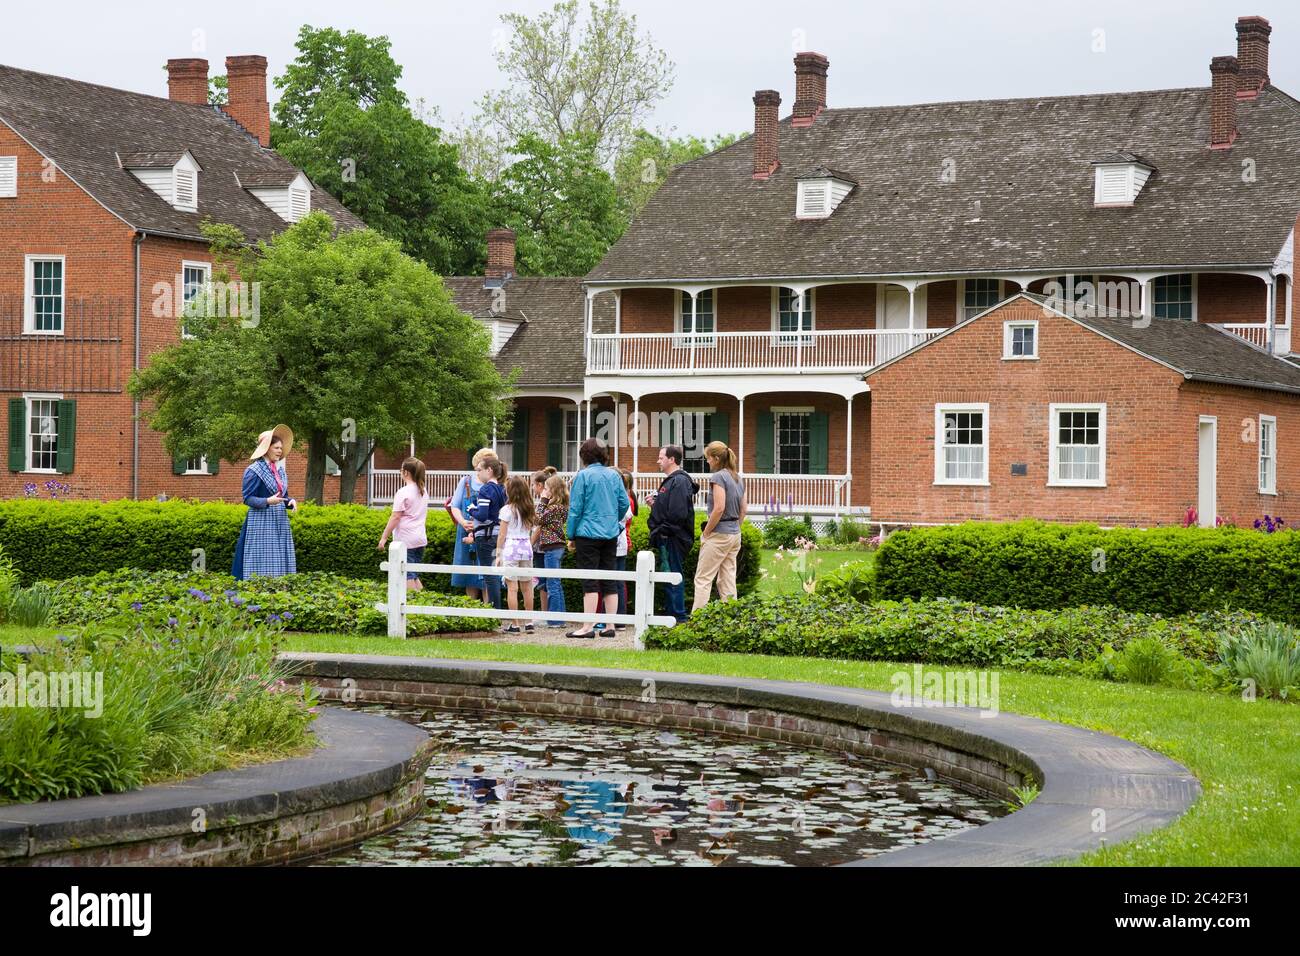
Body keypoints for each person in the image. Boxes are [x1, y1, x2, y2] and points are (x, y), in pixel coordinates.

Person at [564, 438, 629, 639]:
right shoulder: (614, 476)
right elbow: (624, 503)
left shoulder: (582, 476)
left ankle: (587, 627)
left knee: (589, 581)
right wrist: (614, 521)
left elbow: (575, 509)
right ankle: (610, 625)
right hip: (610, 534)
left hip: (587, 534)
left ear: (584, 455)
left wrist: (571, 534)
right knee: (610, 579)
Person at [232, 424, 297, 580]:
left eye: (281, 448)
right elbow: (248, 498)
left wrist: (291, 501)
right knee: (263, 555)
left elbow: (283, 496)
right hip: (261, 521)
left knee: (279, 555)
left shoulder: (280, 471)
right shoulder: (254, 470)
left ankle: (279, 590)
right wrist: (268, 501)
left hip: (279, 520)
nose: (280, 451)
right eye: (276, 448)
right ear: (267, 448)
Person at [692, 440, 747, 612]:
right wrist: (735, 527)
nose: (707, 461)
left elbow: (719, 508)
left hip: (718, 534)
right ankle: (730, 619)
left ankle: (697, 622)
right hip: (734, 534)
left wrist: (706, 532)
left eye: (708, 458)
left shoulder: (718, 477)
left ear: (716, 458)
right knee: (727, 579)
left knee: (703, 579)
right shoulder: (738, 477)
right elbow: (743, 510)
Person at [646, 445, 697, 623]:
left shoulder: (679, 481)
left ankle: (678, 616)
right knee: (668, 574)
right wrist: (656, 505)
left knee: (673, 574)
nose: (658, 461)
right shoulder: (673, 481)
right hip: (668, 536)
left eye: (661, 458)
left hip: (673, 538)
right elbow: (670, 508)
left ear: (671, 459)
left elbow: (678, 513)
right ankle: (672, 613)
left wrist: (662, 531)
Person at [448, 448, 495, 600]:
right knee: (470, 574)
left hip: (487, 535)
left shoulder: (495, 484)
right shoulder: (466, 481)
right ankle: (472, 612)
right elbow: (454, 505)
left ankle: (490, 612)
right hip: (465, 533)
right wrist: (462, 522)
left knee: (488, 574)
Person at [378, 457, 429, 591]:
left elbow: (395, 517)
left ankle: (413, 605)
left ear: (406, 472)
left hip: (406, 539)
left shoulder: (403, 492)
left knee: (407, 575)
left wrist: (384, 537)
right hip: (420, 538)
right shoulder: (423, 491)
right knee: (414, 574)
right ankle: (423, 602)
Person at [496, 474, 538, 634]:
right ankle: (529, 622)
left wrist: (498, 553)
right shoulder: (529, 508)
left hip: (511, 548)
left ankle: (515, 624)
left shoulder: (507, 510)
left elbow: (502, 535)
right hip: (526, 547)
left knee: (512, 588)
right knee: (527, 588)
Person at [465, 457, 507, 608]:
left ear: (489, 470)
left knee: (489, 576)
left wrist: (471, 509)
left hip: (485, 536)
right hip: (498, 534)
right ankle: (498, 610)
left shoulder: (485, 489)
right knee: (495, 574)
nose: (478, 474)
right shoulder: (502, 489)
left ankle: (495, 613)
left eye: (479, 470)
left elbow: (482, 515)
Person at [533, 472, 569, 628]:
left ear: (552, 490)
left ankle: (554, 620)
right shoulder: (561, 507)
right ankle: (559, 618)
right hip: (557, 546)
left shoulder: (553, 508)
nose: (543, 491)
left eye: (546, 488)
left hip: (552, 547)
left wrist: (543, 500)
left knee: (552, 583)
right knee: (556, 583)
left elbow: (537, 519)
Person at [606, 468, 638, 634]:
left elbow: (625, 517)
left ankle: (617, 619)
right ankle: (618, 619)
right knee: (617, 581)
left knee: (615, 581)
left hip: (615, 543)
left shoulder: (619, 498)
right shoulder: (622, 496)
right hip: (619, 543)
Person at [530, 467, 558, 616]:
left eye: (533, 485)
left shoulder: (545, 501)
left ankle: (545, 613)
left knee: (543, 582)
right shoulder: (547, 500)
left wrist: (530, 542)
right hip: (543, 545)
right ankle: (546, 612)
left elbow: (540, 525)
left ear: (540, 485)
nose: (533, 488)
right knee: (545, 581)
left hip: (541, 546)